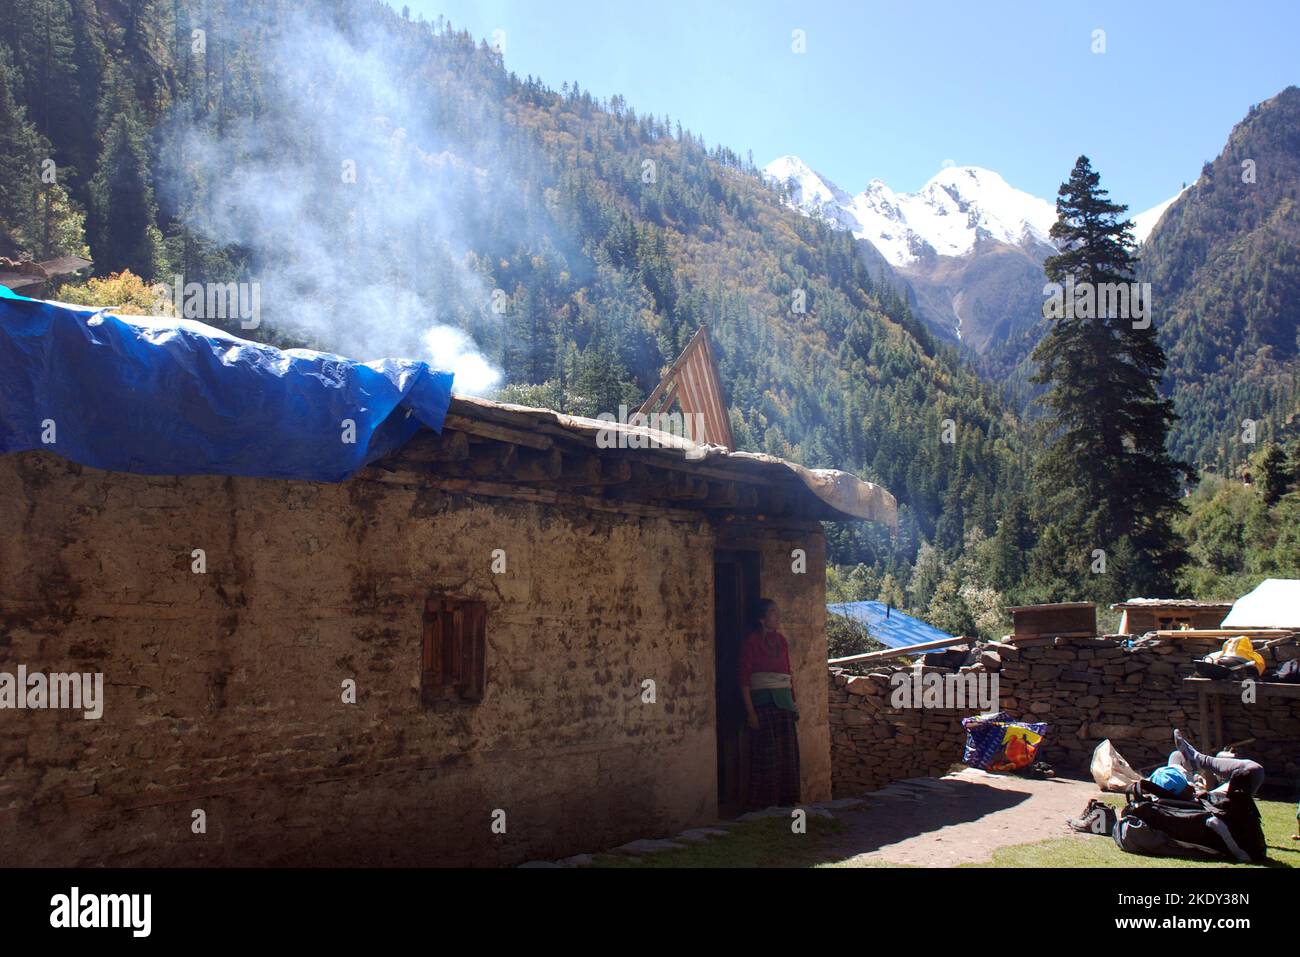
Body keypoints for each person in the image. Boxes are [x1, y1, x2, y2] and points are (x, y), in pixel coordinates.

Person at [738, 598, 800, 809]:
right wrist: (750, 711)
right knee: (767, 753)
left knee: (786, 753)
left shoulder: (781, 641)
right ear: (762, 619)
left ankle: (787, 800)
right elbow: (745, 678)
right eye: (773, 613)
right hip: (762, 704)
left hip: (784, 704)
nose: (778, 616)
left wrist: (794, 701)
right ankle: (765, 803)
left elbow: (788, 672)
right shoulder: (752, 642)